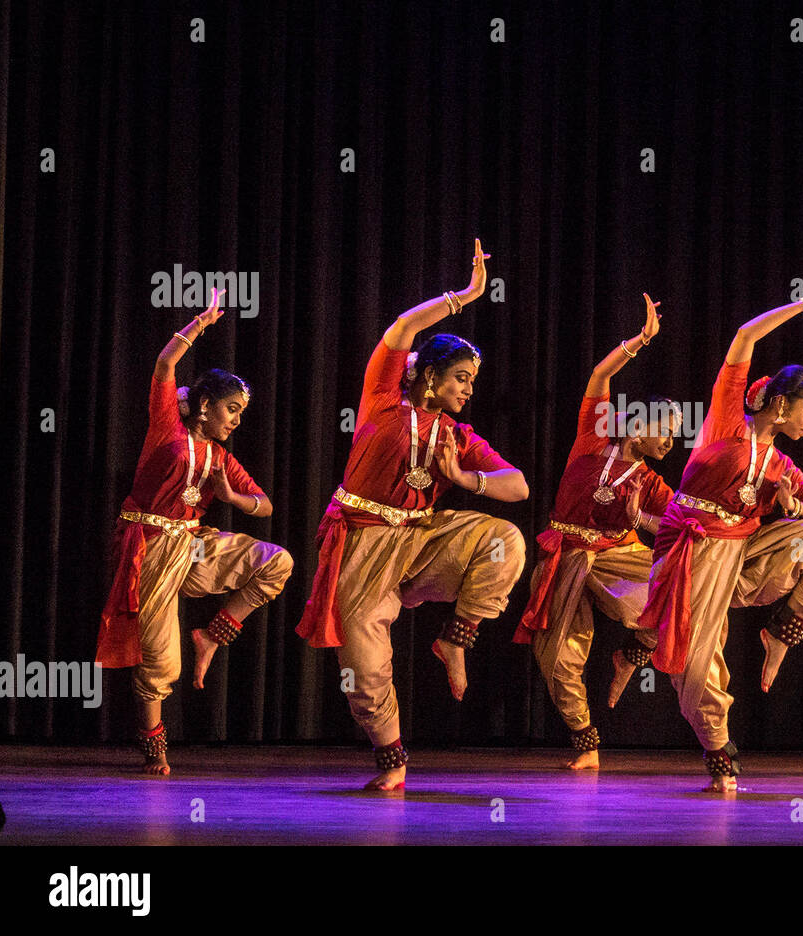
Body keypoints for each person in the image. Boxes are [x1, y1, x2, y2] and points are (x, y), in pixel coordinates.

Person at [296, 240, 529, 791]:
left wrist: (467, 478)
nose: (469, 390)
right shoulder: (380, 399)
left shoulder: (457, 435)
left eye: (472, 381)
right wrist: (466, 295)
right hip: (363, 538)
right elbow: (401, 328)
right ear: (429, 377)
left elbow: (517, 486)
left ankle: (456, 637)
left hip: (421, 536)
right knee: (363, 655)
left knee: (507, 540)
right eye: (462, 379)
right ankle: (392, 756)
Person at [639, 267, 803, 791]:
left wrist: (795, 509)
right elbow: (744, 337)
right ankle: (718, 748)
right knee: (692, 664)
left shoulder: (784, 468)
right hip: (692, 551)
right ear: (779, 404)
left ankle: (782, 634)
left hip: (744, 554)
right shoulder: (725, 424)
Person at [97, 288, 294, 776]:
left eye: (241, 413)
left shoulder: (222, 459)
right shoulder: (166, 427)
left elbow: (265, 506)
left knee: (277, 561)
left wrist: (230, 499)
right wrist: (200, 324)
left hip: (192, 544)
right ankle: (153, 747)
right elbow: (165, 365)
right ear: (204, 405)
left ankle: (211, 634)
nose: (237, 420)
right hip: (147, 549)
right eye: (232, 410)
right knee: (164, 664)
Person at [514, 294, 678, 769]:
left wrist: (639, 520)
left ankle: (632, 654)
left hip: (618, 555)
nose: (670, 440)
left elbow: (680, 526)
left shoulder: (653, 484)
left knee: (676, 584)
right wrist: (642, 341)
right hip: (564, 554)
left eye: (676, 432)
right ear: (636, 425)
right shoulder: (592, 442)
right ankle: (587, 744)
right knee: (558, 658)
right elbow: (599, 378)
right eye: (665, 429)